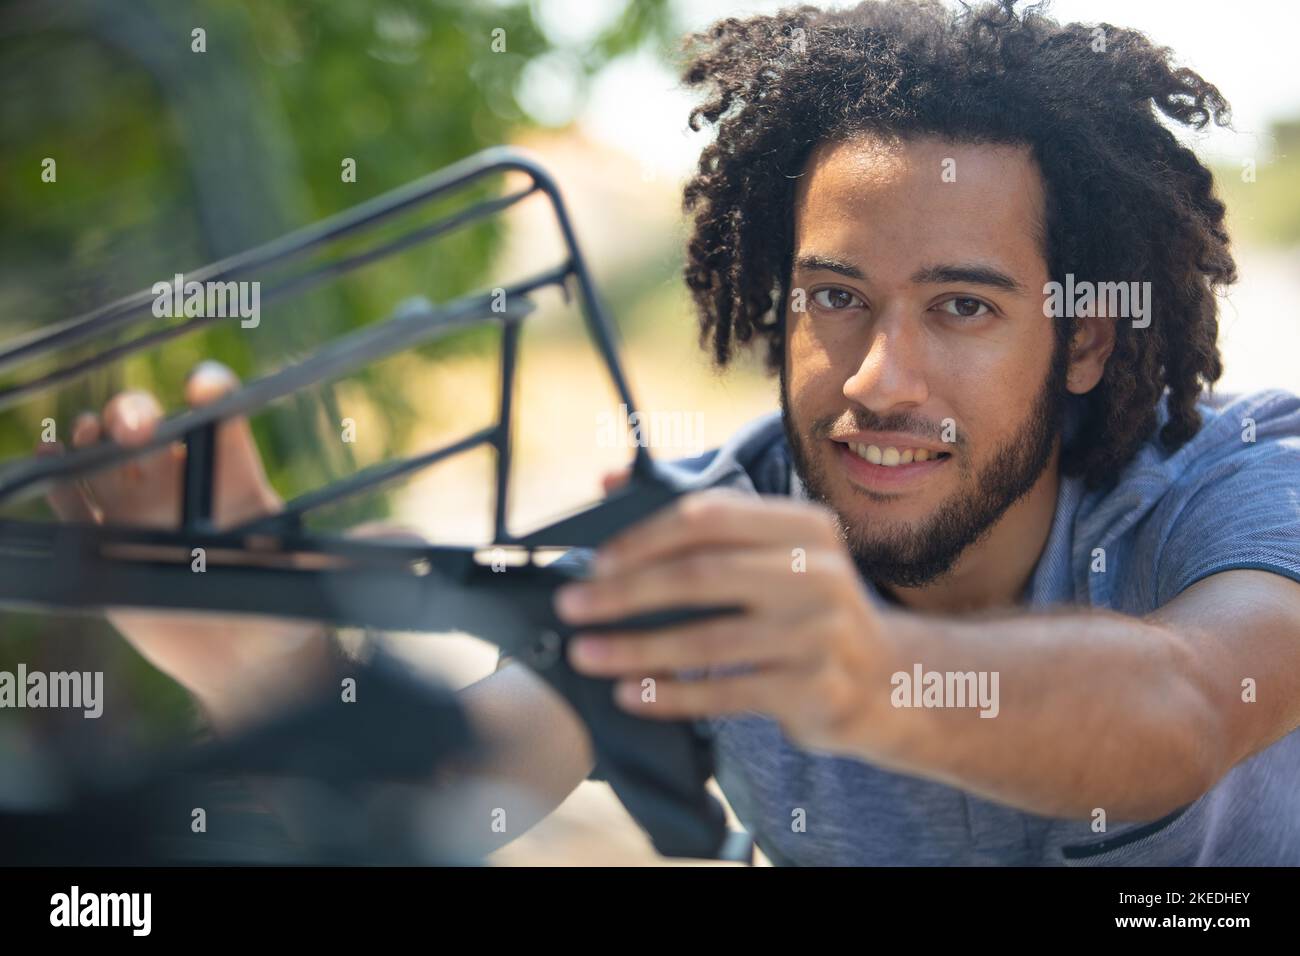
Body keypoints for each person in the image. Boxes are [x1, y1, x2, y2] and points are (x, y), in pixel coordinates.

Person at [45, 0, 1300, 864]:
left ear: (1083, 337)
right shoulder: (714, 532)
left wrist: (858, 673)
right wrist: (254, 665)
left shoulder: (1241, 478)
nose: (878, 376)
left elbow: (1190, 702)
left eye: (961, 307)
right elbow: (465, 782)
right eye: (834, 298)